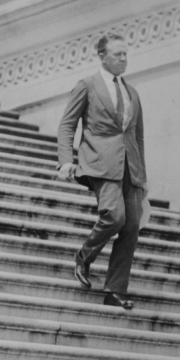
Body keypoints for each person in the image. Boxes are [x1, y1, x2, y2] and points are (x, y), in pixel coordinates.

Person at [56, 32, 145, 310]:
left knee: (131, 227)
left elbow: (137, 136)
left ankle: (115, 289)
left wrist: (143, 178)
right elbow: (67, 125)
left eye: (126, 54)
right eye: (118, 54)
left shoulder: (132, 92)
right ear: (102, 56)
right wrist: (65, 160)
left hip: (130, 166)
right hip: (99, 162)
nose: (123, 59)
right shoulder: (88, 85)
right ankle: (84, 256)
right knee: (114, 216)